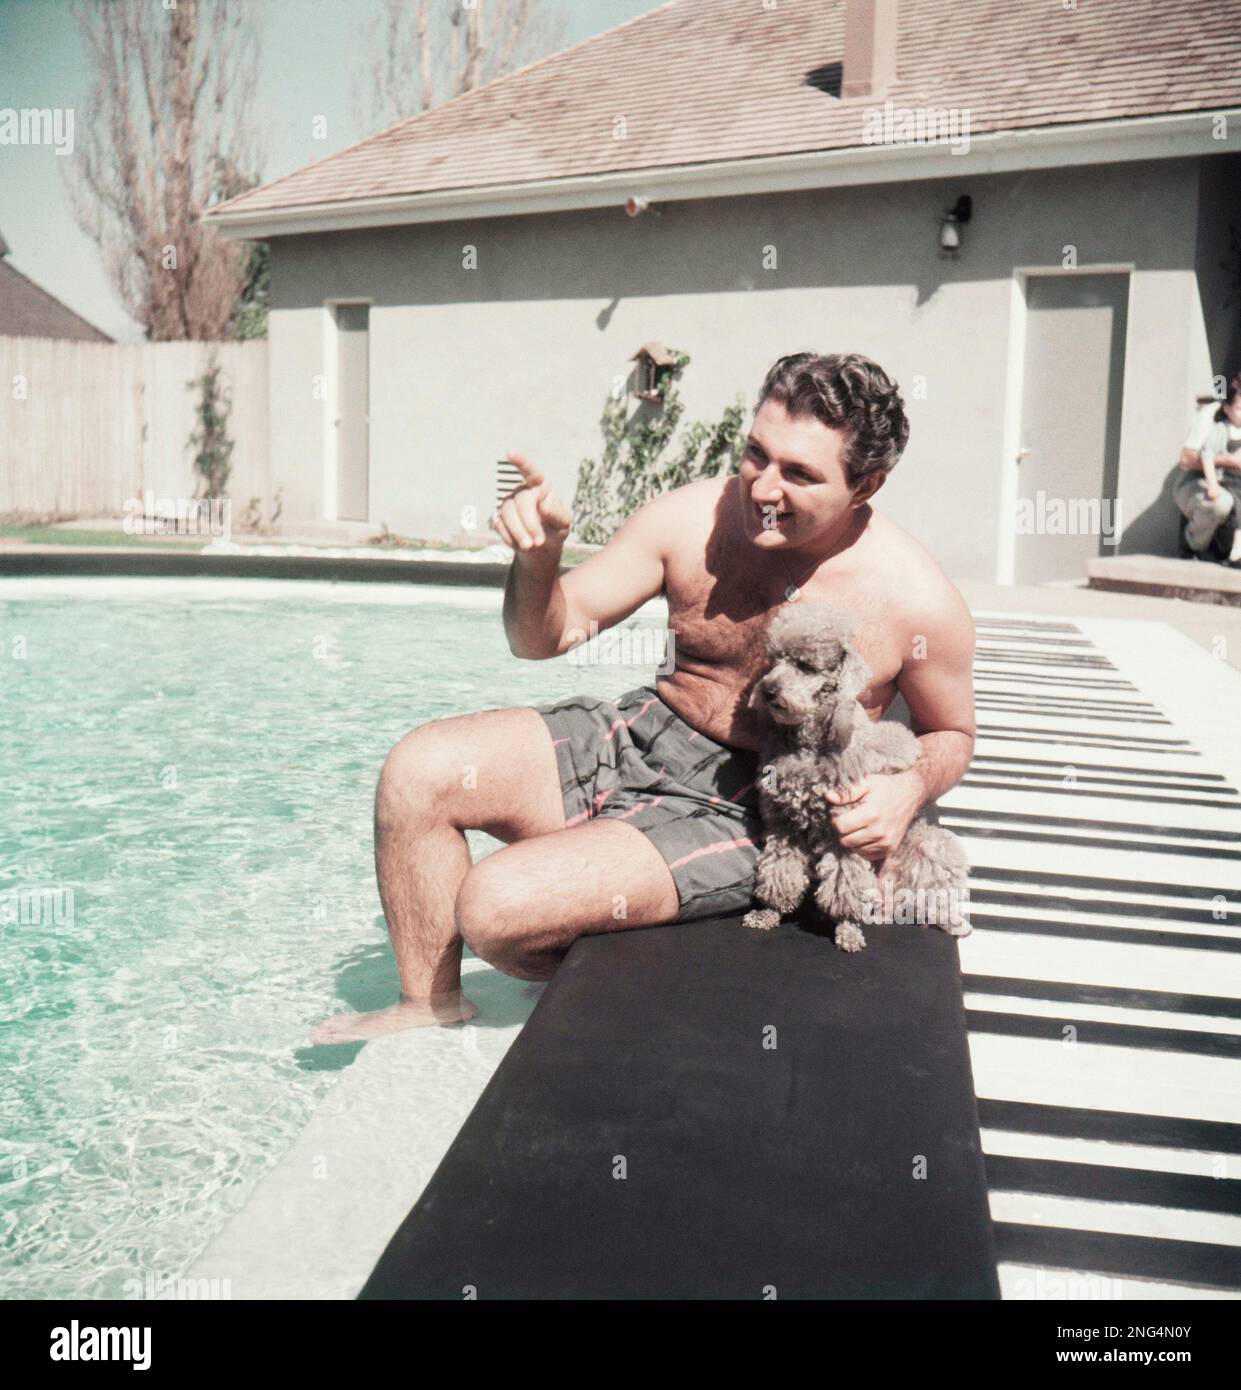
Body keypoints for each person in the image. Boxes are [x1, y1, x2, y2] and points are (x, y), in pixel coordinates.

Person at [312, 352, 977, 1043]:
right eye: (756, 454)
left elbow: (951, 734)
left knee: (491, 908)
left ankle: (630, 913)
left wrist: (904, 793)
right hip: (641, 731)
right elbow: (544, 636)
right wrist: (539, 560)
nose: (762, 487)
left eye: (799, 473)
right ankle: (428, 1007)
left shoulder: (916, 599)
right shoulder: (690, 518)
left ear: (866, 483)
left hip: (753, 800)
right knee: (418, 771)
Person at [1173, 376, 1241, 565]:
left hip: (1236, 486)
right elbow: (1187, 459)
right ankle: (1192, 546)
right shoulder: (1213, 416)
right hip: (1205, 484)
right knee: (1221, 503)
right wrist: (1231, 461)